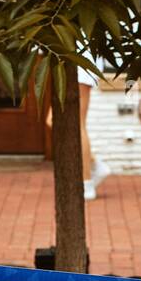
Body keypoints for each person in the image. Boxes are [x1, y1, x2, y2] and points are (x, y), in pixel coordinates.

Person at [44, 57, 111, 201]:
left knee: (77, 123)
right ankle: (95, 165)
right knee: (55, 120)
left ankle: (87, 183)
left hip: (81, 62)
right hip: (71, 63)